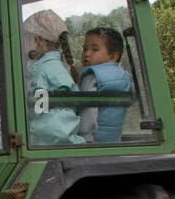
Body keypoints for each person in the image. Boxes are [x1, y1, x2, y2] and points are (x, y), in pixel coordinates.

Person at [22, 9, 83, 145]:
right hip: (65, 138)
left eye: (24, 39)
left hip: (47, 141)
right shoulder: (60, 68)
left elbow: (35, 113)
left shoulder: (40, 70)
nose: (22, 45)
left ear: (37, 40)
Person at [79, 26, 133, 143]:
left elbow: (88, 109)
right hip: (114, 137)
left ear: (113, 56)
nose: (87, 54)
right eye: (85, 48)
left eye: (94, 49)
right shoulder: (124, 76)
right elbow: (131, 98)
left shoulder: (92, 75)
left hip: (93, 139)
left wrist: (84, 136)